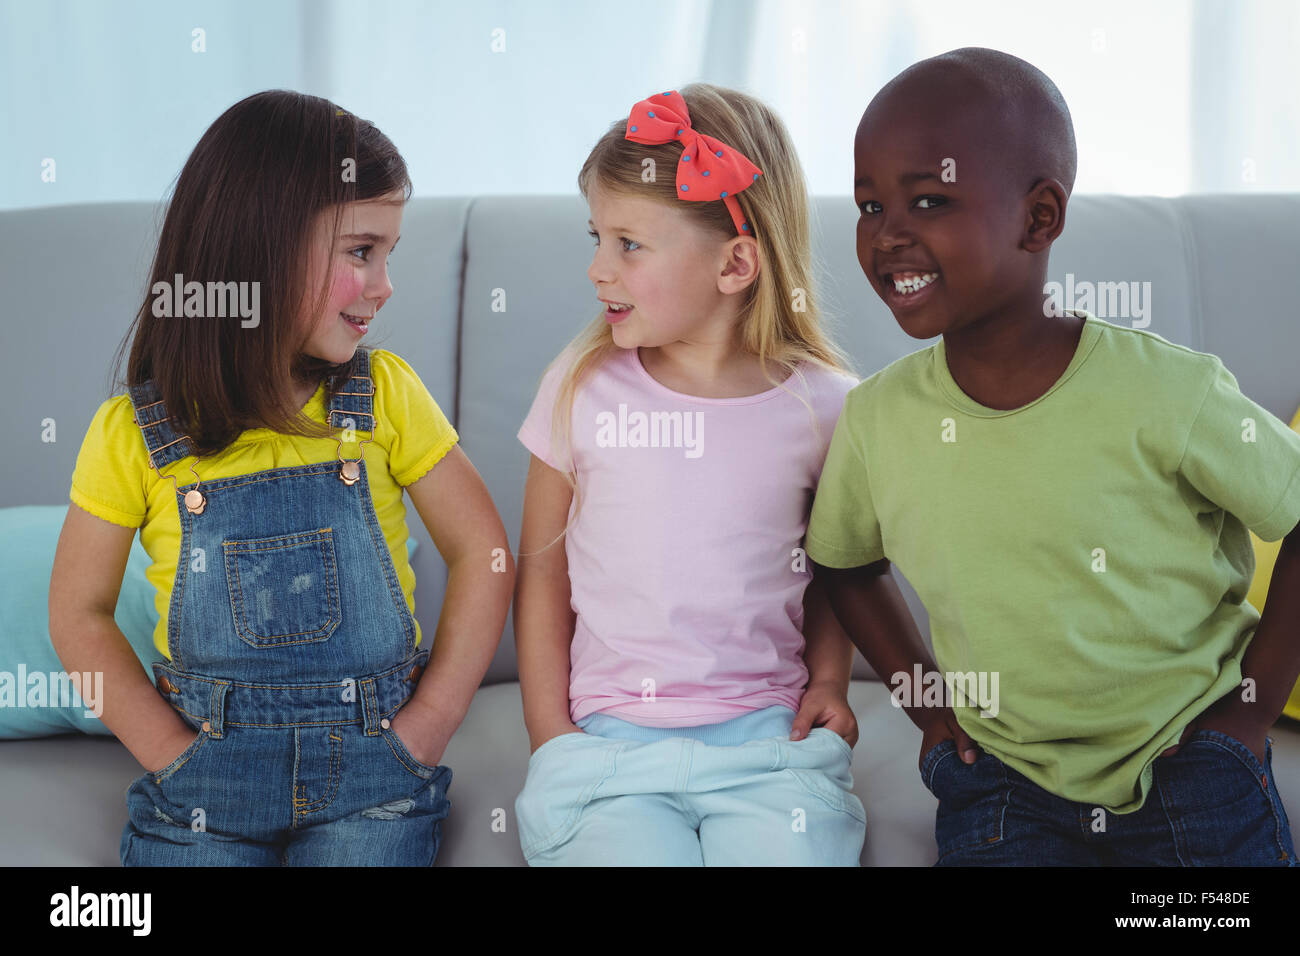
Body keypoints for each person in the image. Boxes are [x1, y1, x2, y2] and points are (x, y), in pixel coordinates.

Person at [807, 47, 1300, 866]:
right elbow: (844, 564)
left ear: (1038, 219)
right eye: (868, 206)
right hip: (1003, 779)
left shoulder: (1169, 392)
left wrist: (1250, 709)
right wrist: (928, 704)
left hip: (1191, 765)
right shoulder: (876, 419)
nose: (887, 234)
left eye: (928, 200)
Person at [48, 90, 514, 866]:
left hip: (375, 786)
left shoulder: (386, 396)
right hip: (208, 796)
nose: (385, 284)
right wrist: (168, 753)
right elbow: (78, 614)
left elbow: (484, 553)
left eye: (389, 254)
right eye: (361, 251)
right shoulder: (134, 432)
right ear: (257, 250)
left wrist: (430, 721)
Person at [513, 85, 866, 866]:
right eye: (597, 236)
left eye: (629, 244)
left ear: (735, 262)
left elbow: (839, 571)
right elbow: (541, 572)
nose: (597, 267)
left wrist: (831, 684)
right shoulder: (581, 385)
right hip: (608, 746)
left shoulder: (828, 408)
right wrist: (553, 739)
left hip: (770, 748)